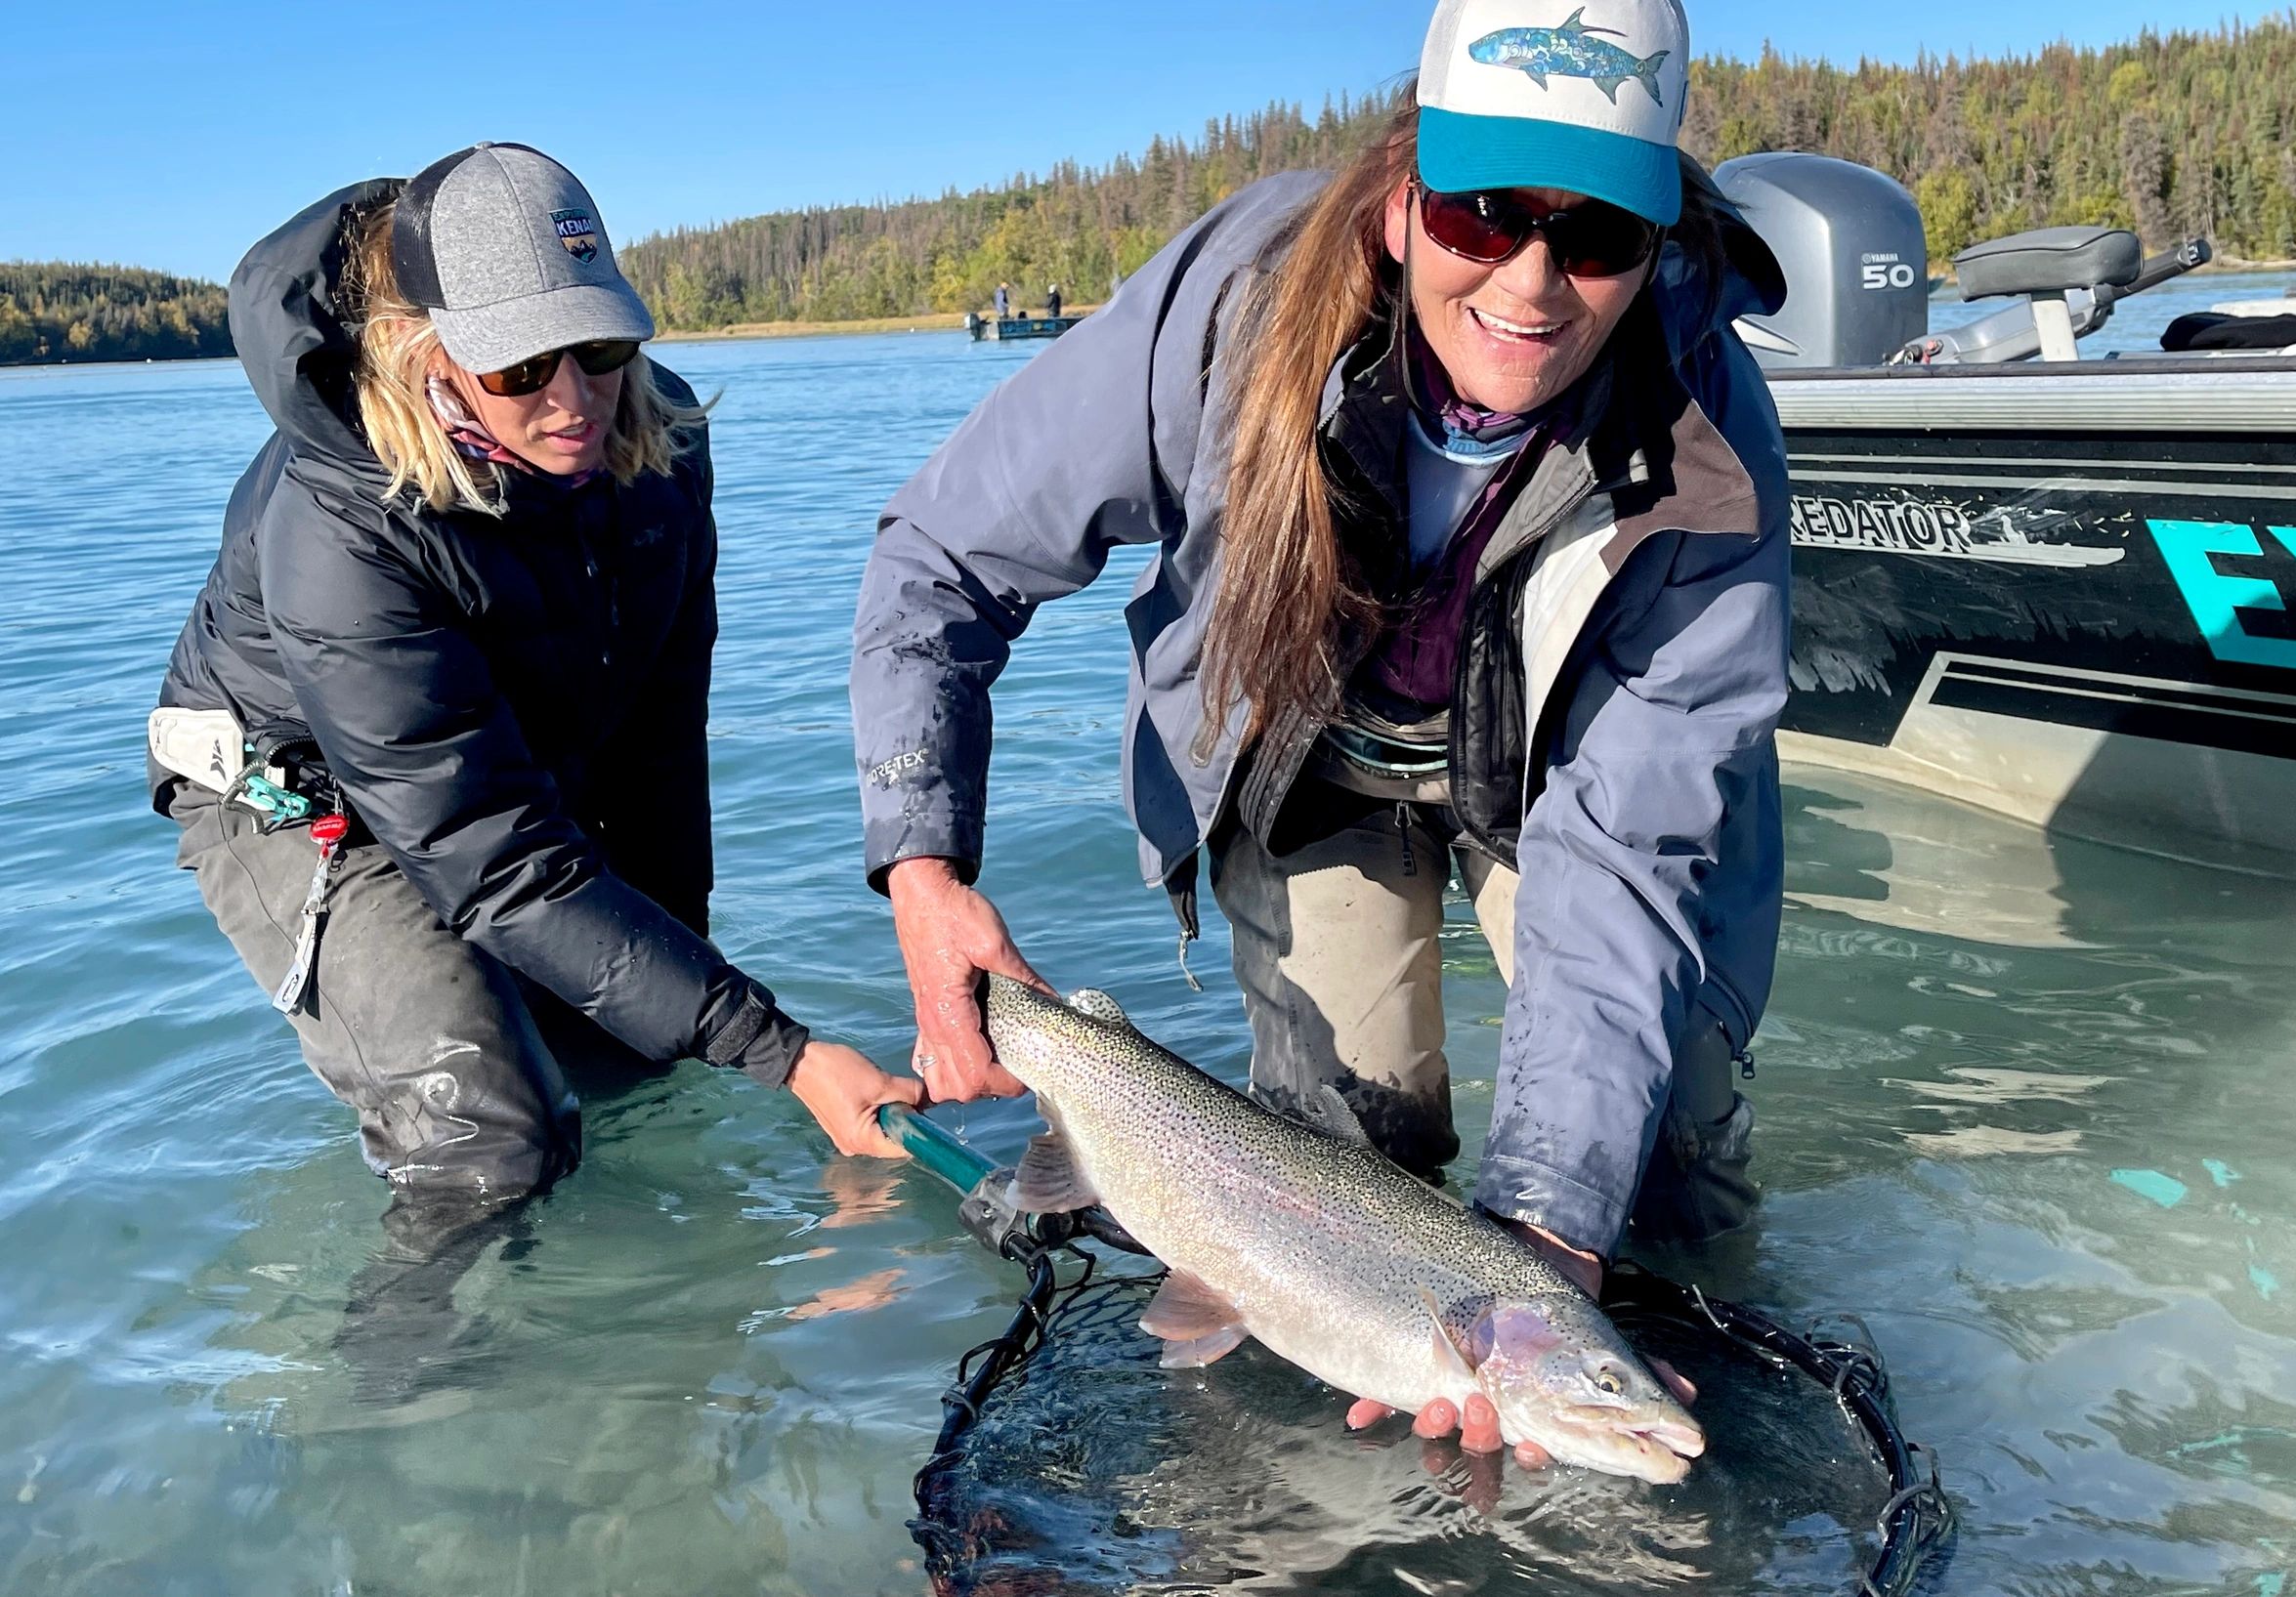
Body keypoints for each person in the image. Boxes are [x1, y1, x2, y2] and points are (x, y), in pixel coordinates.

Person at [851, 0, 1784, 1462]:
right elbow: (940, 561)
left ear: (1657, 243)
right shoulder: (1229, 307)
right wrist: (922, 864)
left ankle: (1645, 1373)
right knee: (1347, 1151)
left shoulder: (1706, 441)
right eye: (1483, 214)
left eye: (1595, 237)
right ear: (1406, 201)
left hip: (1566, 782)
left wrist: (1548, 1235)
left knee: (1650, 1137)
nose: (1532, 286)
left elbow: (1632, 841)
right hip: (1317, 763)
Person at [151, 143, 922, 1230]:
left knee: (632, 1058)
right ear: (428, 352)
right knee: (493, 1140)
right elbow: (491, 855)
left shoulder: (661, 443)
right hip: (298, 791)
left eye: (598, 345)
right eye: (519, 369)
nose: (573, 401)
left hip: (482, 768)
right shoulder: (340, 527)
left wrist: (680, 965)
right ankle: (405, 1388)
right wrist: (785, 1056)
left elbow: (660, 728)